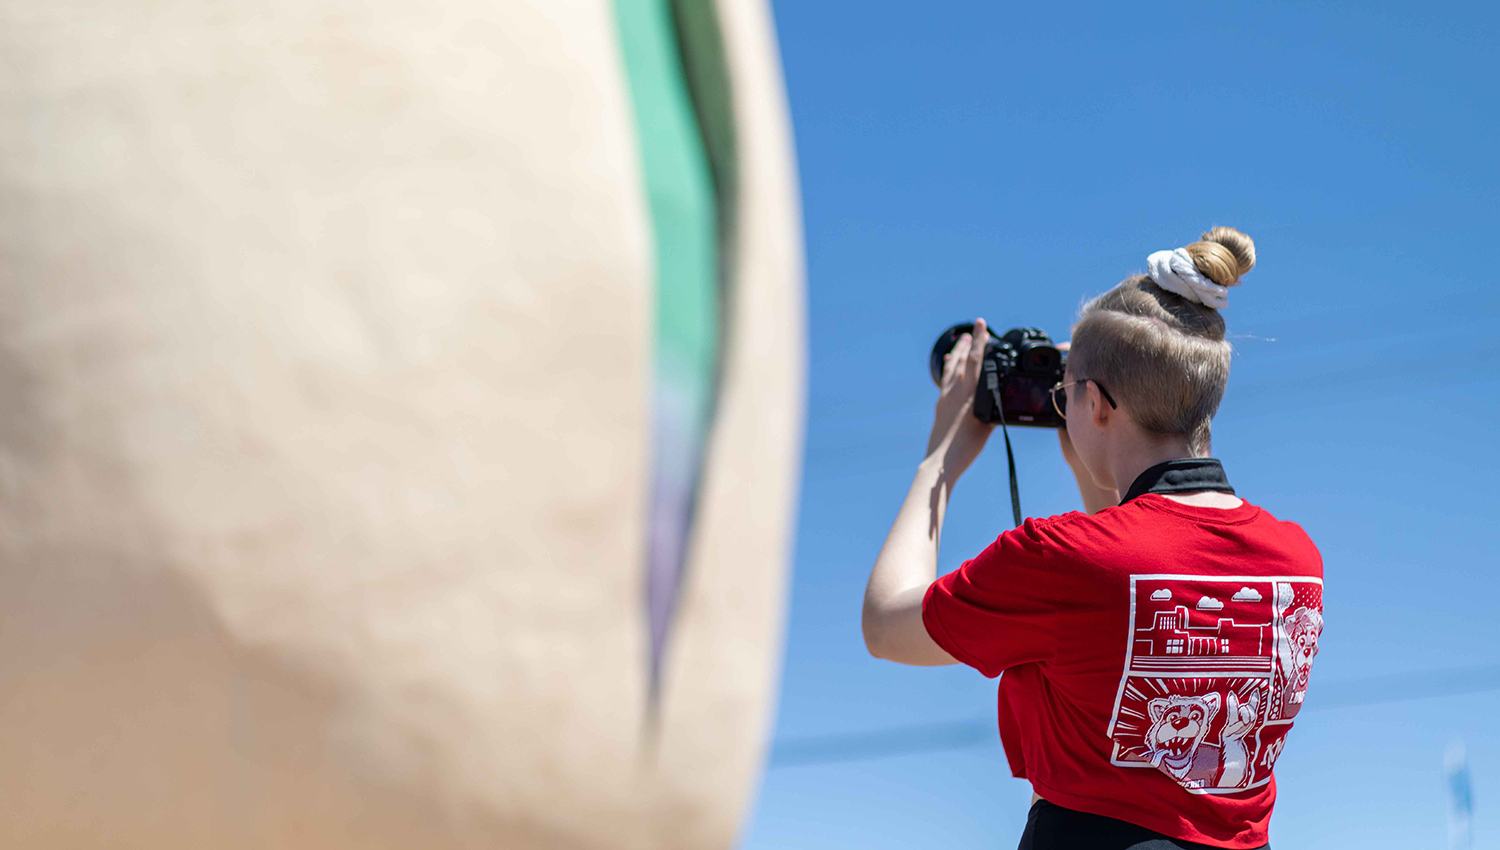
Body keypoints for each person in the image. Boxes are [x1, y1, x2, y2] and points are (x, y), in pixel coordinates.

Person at [861, 227, 1323, 849]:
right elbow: (1139, 579)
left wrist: (939, 460)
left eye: (1066, 393)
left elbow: (886, 625)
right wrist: (1090, 451)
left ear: (1099, 404)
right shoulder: (1297, 562)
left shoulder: (1056, 559)